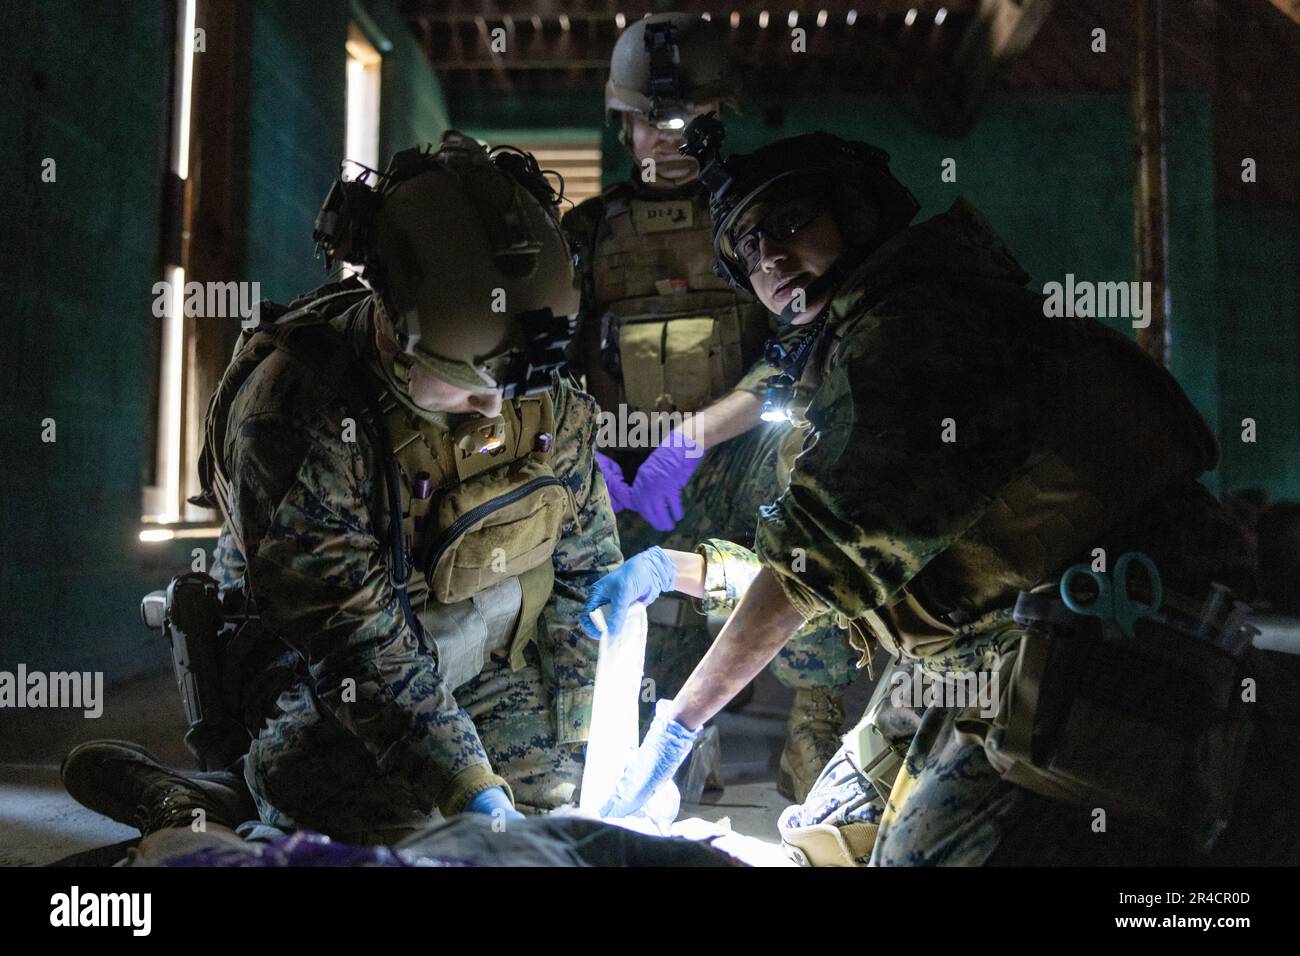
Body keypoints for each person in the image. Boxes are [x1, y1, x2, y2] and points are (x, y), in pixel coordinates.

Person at [580, 116, 1268, 866]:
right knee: (826, 841)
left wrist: (679, 724)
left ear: (861, 210)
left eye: (789, 221)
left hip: (1098, 637)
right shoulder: (853, 342)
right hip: (969, 647)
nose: (770, 255)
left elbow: (820, 563)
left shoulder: (923, 325)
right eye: (747, 248)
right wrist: (675, 571)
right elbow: (833, 570)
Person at [63, 134, 620, 844]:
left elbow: (582, 570)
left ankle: (241, 797)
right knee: (365, 824)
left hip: (480, 649)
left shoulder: (526, 376)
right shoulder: (299, 411)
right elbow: (359, 645)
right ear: (390, 316)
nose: (493, 409)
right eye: (467, 384)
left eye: (509, 387)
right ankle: (217, 797)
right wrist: (469, 785)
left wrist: (588, 737)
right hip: (331, 674)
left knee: (557, 795)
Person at [562, 12, 857, 799]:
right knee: (628, 656)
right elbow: (551, 371)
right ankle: (666, 719)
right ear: (622, 126)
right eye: (649, 122)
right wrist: (593, 452)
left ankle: (814, 728)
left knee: (817, 466)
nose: (668, 137)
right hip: (624, 479)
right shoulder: (588, 236)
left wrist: (695, 435)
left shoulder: (761, 227)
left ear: (721, 117)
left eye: (688, 120)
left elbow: (801, 357)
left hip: (738, 459)